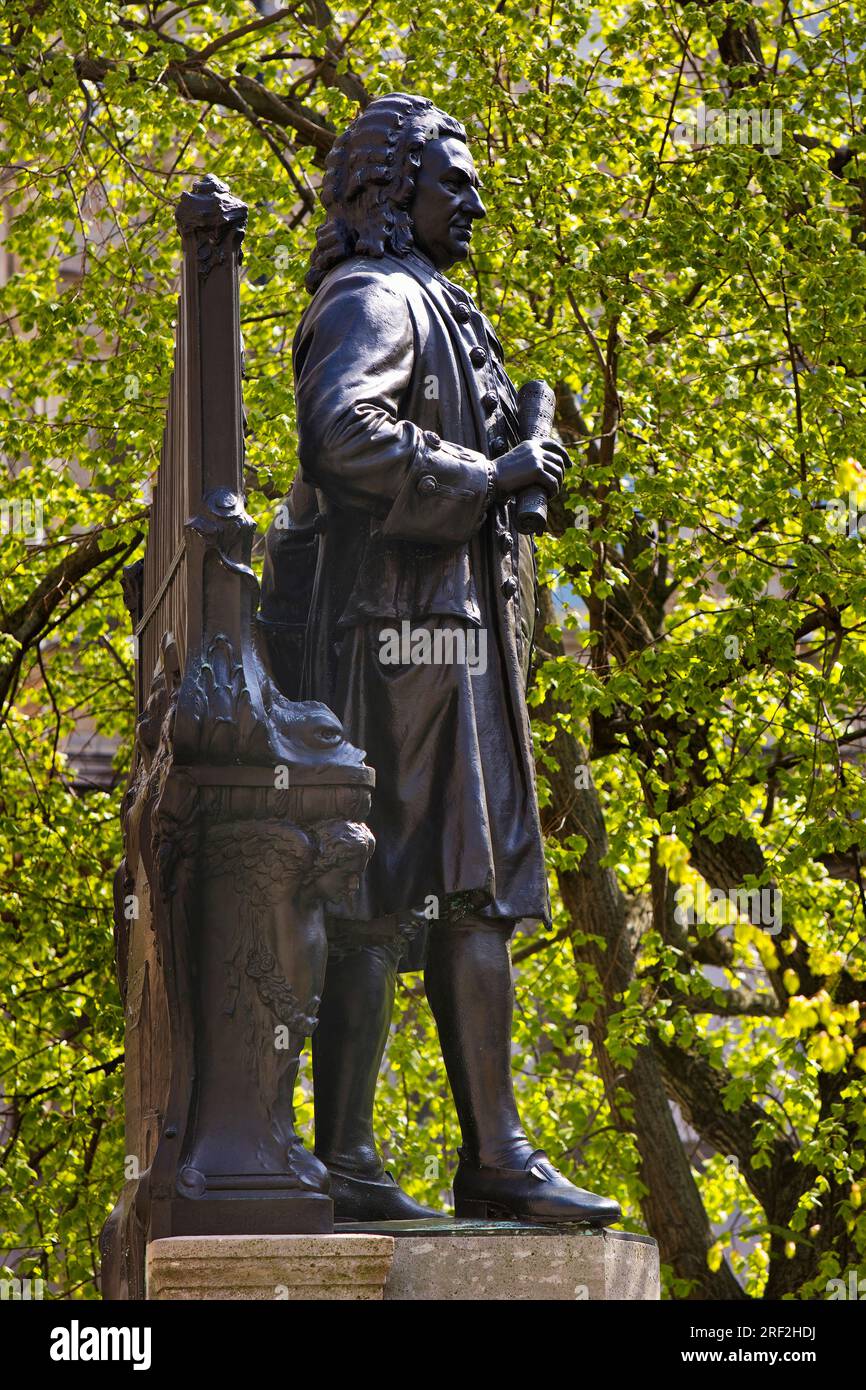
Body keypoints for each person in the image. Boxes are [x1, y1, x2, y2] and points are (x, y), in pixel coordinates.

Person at [261, 93, 620, 1226]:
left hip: (450, 637)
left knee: (441, 891)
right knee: (430, 891)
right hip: (404, 642)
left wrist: (523, 468)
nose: (472, 198)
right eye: (451, 179)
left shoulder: (437, 302)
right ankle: (445, 1158)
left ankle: (421, 1159)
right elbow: (343, 435)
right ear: (388, 190)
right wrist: (494, 476)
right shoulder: (374, 295)